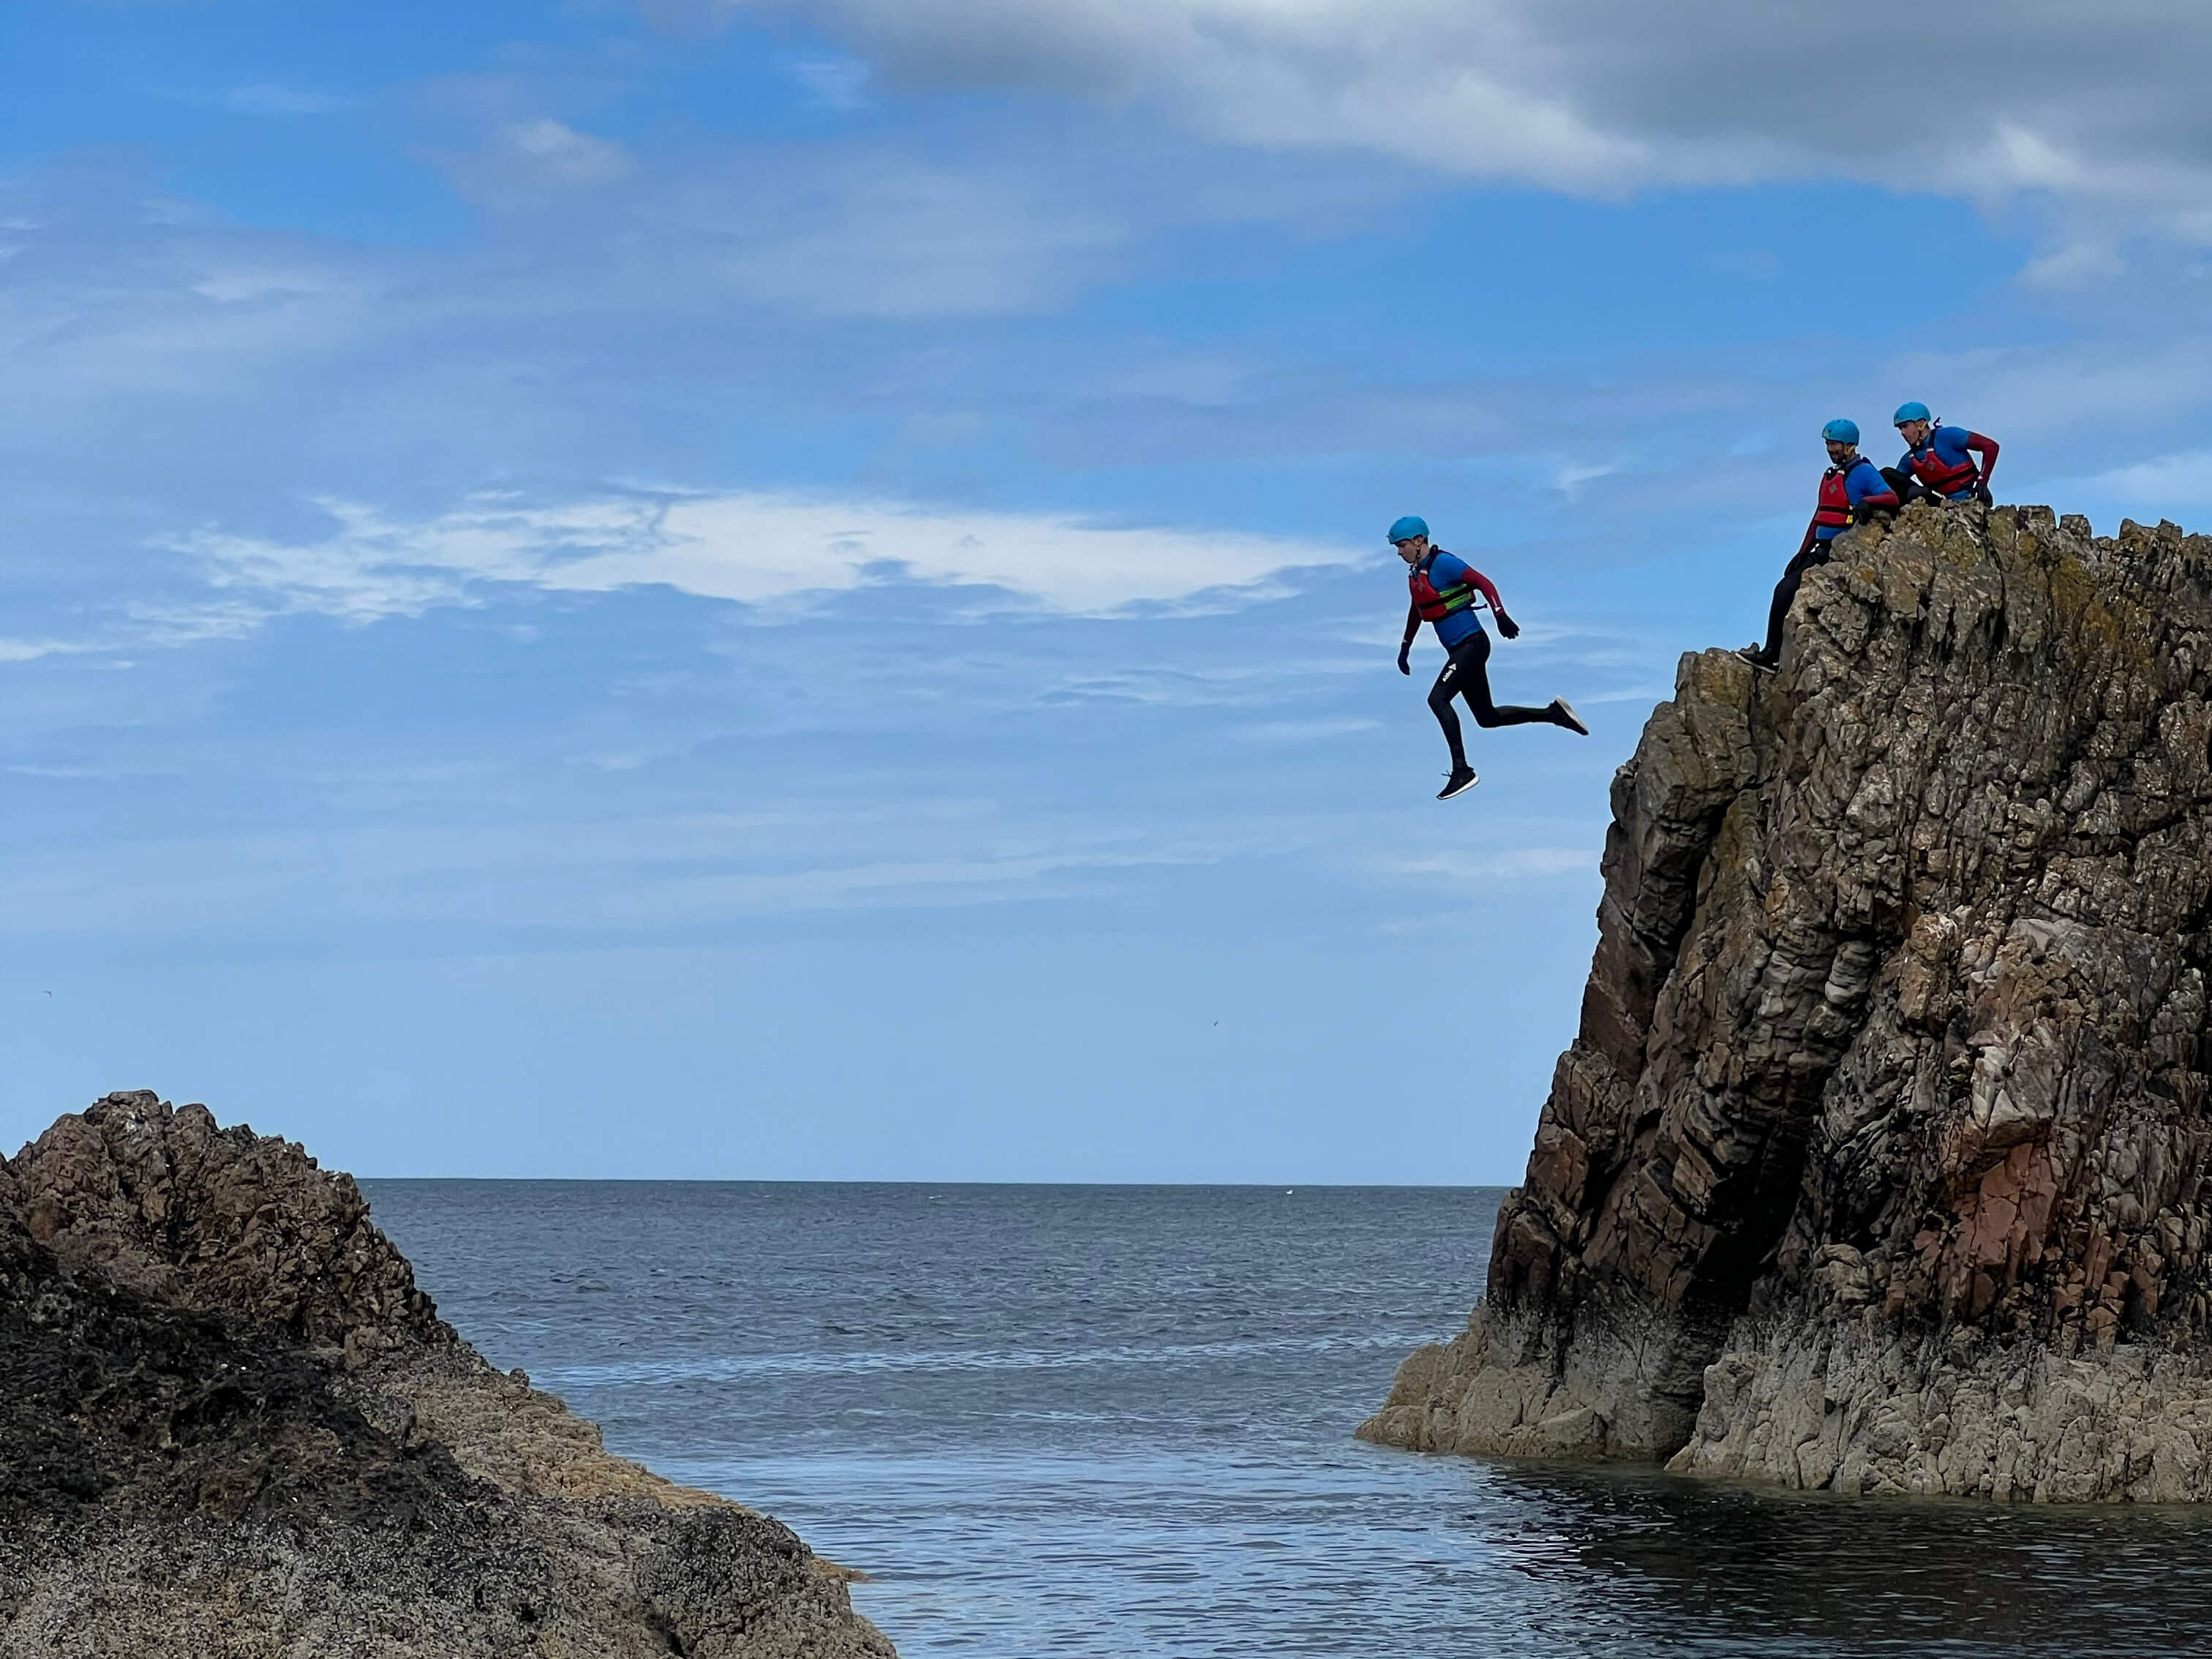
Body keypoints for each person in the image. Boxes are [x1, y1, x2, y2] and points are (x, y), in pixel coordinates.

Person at [1389, 515, 1587, 800]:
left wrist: (1500, 615)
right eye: (1397, 547)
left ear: (1419, 541)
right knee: (1487, 717)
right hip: (1460, 650)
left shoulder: (1444, 563)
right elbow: (1416, 611)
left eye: (1403, 545)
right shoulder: (1416, 575)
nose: (1399, 552)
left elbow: (1483, 582)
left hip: (1472, 645)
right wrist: (1405, 647)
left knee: (1437, 699)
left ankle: (1462, 770)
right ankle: (1553, 714)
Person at [1739, 420, 1900, 671]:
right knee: (1783, 589)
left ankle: (1773, 653)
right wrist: (1802, 552)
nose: (1830, 449)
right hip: (1821, 550)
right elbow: (1818, 517)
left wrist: (1868, 501)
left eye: (1834, 444)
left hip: (1842, 553)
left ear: (1849, 445)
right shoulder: (1830, 476)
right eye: (1827, 444)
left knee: (1787, 590)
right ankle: (1773, 652)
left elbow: (1891, 496)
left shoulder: (1864, 472)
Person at [1884, 402, 1999, 505]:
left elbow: (1990, 447)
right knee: (1887, 475)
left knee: (1918, 492)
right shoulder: (1909, 459)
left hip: (1968, 499)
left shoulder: (1948, 436)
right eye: (1900, 429)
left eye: (1905, 427)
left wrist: (1982, 482)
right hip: (1939, 502)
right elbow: (1892, 484)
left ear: (1921, 423)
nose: (1903, 433)